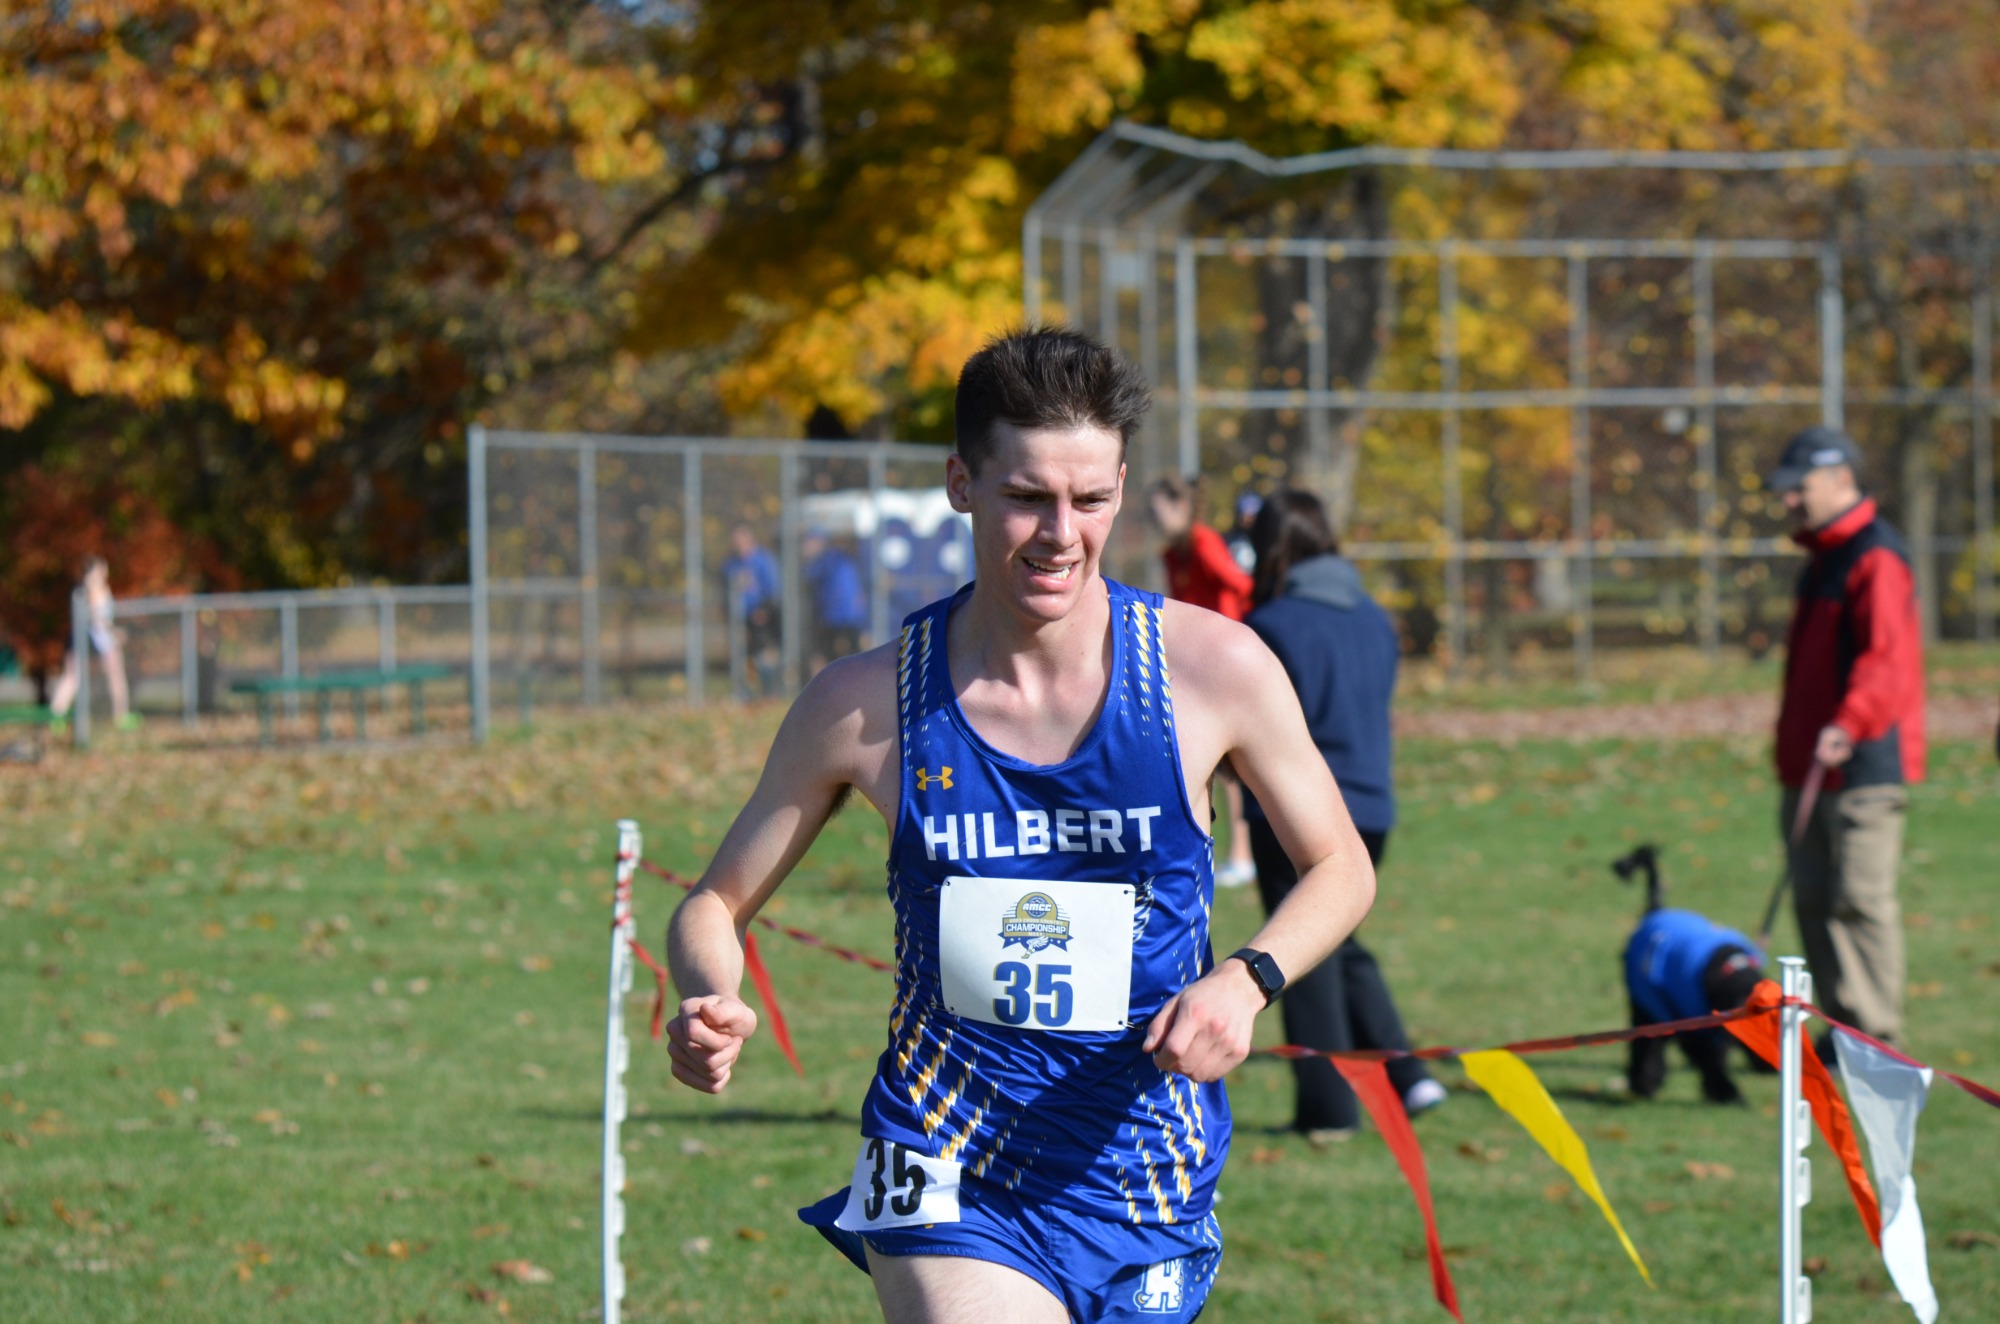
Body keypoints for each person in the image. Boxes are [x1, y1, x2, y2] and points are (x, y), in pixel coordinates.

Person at [665, 328, 1377, 1324]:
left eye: (1089, 500)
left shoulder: (1212, 669)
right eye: (1025, 497)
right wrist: (708, 996)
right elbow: (713, 901)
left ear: (1121, 488)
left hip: (1140, 1163)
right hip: (936, 1154)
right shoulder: (863, 701)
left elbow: (1340, 866)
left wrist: (1245, 981)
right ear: (962, 482)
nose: (1059, 533)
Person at [1241, 490, 1443, 1140]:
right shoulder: (1375, 619)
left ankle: (1328, 1109)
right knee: (1338, 936)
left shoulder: (1274, 625)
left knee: (1299, 950)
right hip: (1375, 808)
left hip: (1302, 815)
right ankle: (1410, 1075)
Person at [1767, 426, 1926, 1048]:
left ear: (1840, 479)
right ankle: (1839, 1029)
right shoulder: (1823, 557)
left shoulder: (1875, 556)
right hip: (1808, 767)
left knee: (1859, 902)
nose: (1789, 503)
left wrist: (1846, 724)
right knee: (1813, 899)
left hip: (1861, 765)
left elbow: (1885, 662)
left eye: (1798, 489)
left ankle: (1877, 1042)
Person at [1145, 475, 1257, 890]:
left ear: (1181, 508)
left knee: (1230, 764)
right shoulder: (1173, 554)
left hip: (1224, 665)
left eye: (1159, 511)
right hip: (1192, 666)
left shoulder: (1205, 543)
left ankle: (1243, 854)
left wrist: (1237, 637)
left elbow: (1243, 586)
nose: (1154, 519)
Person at [49, 557, 133, 729]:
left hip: (101, 639)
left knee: (115, 677)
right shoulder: (84, 591)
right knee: (73, 678)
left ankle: (120, 716)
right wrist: (114, 633)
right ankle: (56, 717)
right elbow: (97, 620)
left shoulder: (102, 589)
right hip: (93, 639)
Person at [723, 524, 782, 696]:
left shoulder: (764, 560)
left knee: (763, 656)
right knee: (741, 657)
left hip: (761, 617)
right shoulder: (731, 564)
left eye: (741, 541)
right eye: (735, 542)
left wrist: (764, 610)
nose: (738, 545)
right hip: (738, 619)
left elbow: (773, 588)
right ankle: (744, 693)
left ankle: (770, 692)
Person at [803, 528, 870, 670]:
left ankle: (853, 681)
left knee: (850, 650)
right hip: (835, 616)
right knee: (834, 653)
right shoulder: (831, 559)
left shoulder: (837, 559)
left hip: (843, 615)